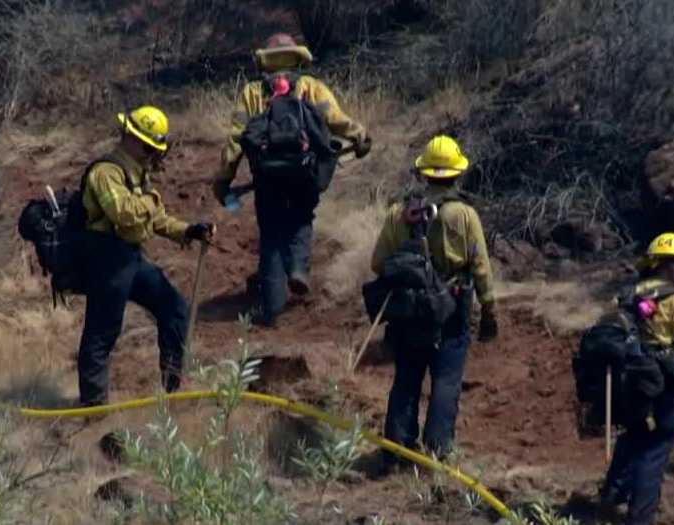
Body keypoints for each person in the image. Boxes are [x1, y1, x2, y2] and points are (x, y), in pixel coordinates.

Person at [213, 32, 371, 327]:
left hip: (266, 176)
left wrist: (223, 179)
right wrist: (359, 136)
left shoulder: (251, 93)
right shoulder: (311, 87)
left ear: (265, 60)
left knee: (272, 234)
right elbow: (336, 119)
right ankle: (298, 268)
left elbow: (236, 139)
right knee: (301, 220)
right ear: (298, 56)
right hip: (305, 172)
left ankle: (271, 307)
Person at [371, 135, 498, 466]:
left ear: (423, 173)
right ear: (457, 174)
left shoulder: (400, 213)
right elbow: (481, 267)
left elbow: (378, 263)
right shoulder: (465, 215)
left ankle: (396, 449)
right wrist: (489, 310)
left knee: (406, 379)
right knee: (445, 381)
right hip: (451, 310)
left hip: (408, 312)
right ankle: (437, 453)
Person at [78, 105, 214, 406]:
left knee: (175, 308)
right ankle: (92, 409)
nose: (153, 153)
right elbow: (124, 213)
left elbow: (156, 219)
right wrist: (151, 201)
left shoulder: (137, 174)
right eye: (148, 146)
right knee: (102, 335)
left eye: (155, 148)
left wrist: (188, 230)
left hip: (130, 259)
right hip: (105, 262)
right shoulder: (106, 172)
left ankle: (173, 390)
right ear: (129, 136)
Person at [598, 232, 674, 525]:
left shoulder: (626, 296)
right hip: (662, 387)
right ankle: (641, 517)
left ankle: (610, 498)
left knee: (633, 436)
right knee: (657, 447)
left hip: (628, 383)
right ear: (665, 265)